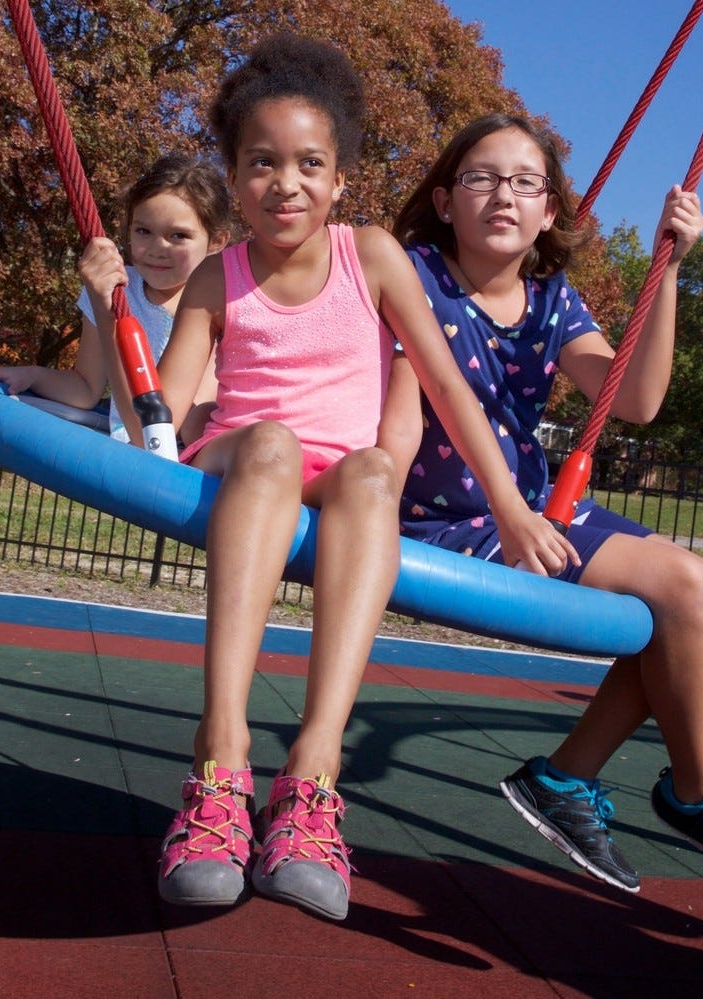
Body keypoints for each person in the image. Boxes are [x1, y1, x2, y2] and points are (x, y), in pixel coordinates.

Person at [141, 37, 577, 921]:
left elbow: (448, 385)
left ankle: (311, 776)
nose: (285, 183)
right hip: (244, 453)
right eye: (261, 164)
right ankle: (221, 760)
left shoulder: (370, 255)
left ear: (339, 181)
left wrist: (510, 505)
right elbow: (164, 412)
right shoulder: (214, 281)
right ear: (232, 177)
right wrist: (114, 313)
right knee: (265, 439)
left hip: (339, 471)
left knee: (375, 466)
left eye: (309, 164)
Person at [380, 113, 703, 891]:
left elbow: (637, 399)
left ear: (549, 211)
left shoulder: (550, 300)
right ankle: (697, 792)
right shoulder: (414, 278)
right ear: (444, 200)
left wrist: (667, 270)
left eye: (524, 182)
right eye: (480, 177)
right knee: (684, 592)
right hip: (452, 519)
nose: (502, 196)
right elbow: (409, 411)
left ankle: (569, 775)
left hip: (533, 508)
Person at [0, 154, 229, 445]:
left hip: (188, 451)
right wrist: (32, 376)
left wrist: (103, 308)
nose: (158, 248)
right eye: (144, 231)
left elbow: (168, 429)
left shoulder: (219, 304)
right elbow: (85, 388)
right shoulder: (117, 290)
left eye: (179, 235)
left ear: (217, 242)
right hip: (130, 451)